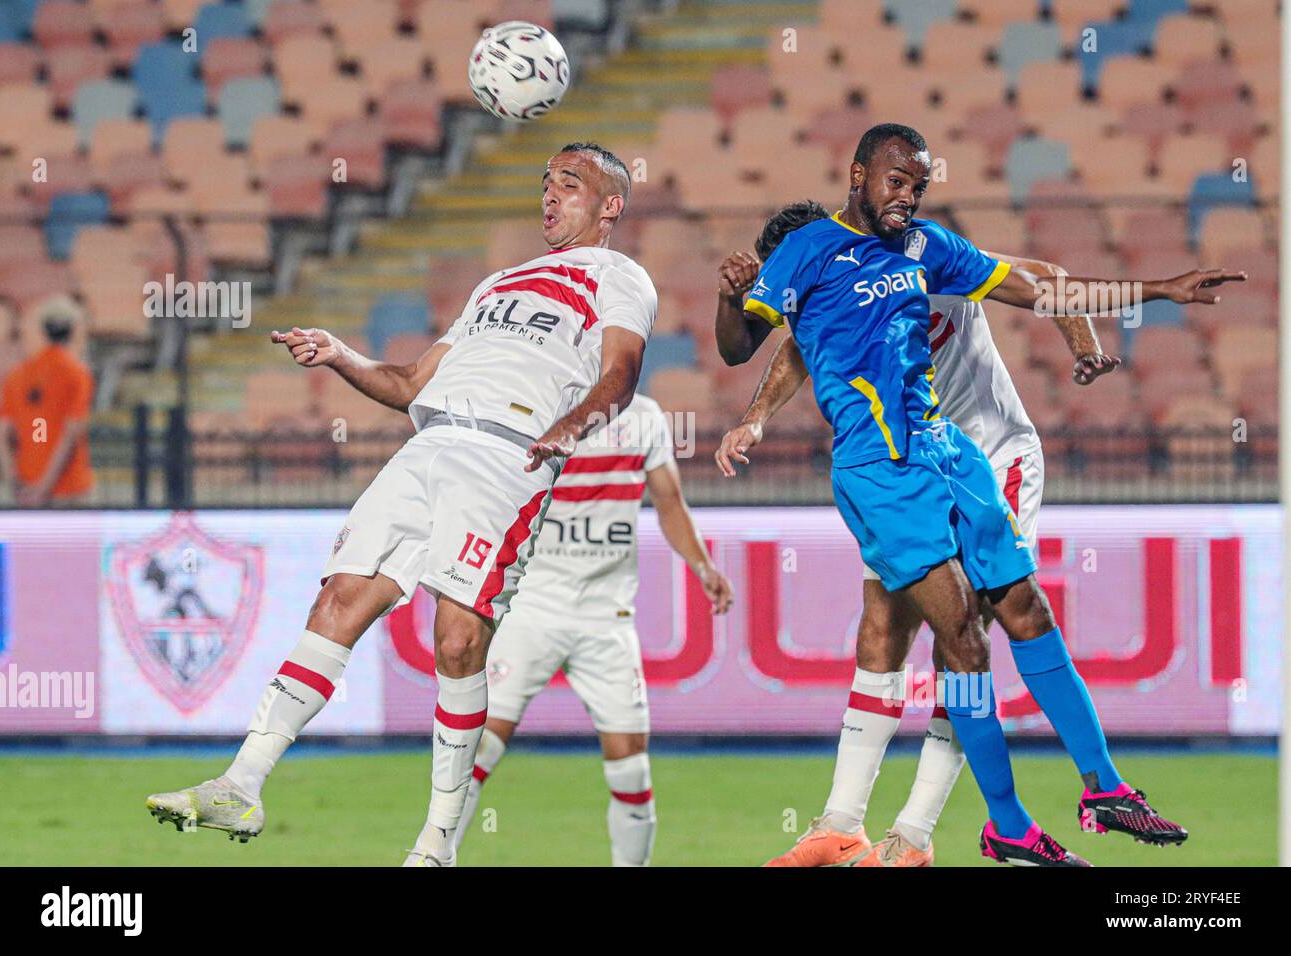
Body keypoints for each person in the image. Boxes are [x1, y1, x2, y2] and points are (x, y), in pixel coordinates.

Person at [714, 124, 1244, 866]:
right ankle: (967, 823)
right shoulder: (811, 262)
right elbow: (756, 347)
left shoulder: (930, 250)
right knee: (932, 635)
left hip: (972, 449)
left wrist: (1155, 291)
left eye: (916, 184)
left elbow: (1039, 283)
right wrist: (747, 390)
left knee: (1013, 614)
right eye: (896, 182)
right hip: (885, 469)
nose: (907, 195)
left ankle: (1100, 787)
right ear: (858, 174)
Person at [147, 142, 656, 868]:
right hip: (428, 446)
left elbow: (620, 376)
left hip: (507, 455)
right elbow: (412, 382)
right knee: (339, 598)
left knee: (457, 637)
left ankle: (438, 842)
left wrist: (564, 431)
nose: (550, 196)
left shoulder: (619, 277)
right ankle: (242, 784)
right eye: (545, 184)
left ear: (610, 205)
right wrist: (340, 354)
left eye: (570, 186)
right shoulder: (497, 284)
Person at [716, 201, 1118, 867]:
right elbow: (792, 350)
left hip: (988, 457)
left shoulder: (915, 259)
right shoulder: (826, 298)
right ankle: (840, 823)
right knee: (882, 628)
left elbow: (1044, 274)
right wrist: (755, 417)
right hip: (907, 468)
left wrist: (1084, 344)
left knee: (964, 637)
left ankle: (916, 834)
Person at [411, 394, 734, 866]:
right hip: (530, 605)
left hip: (607, 617)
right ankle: (436, 857)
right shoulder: (537, 404)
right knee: (477, 750)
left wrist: (703, 567)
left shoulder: (643, 417)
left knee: (631, 765)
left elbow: (669, 502)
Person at [0, 305, 95, 508]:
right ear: (75, 332)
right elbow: (71, 433)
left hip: (26, 488)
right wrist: (44, 487)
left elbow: (2, 435)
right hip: (69, 489)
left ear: (42, 332)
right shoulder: (76, 374)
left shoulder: (17, 375)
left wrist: (15, 484)